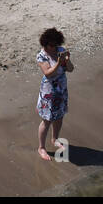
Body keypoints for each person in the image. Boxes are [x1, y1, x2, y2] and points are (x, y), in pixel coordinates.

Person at [36, 27, 73, 161]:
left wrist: (67, 61)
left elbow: (71, 69)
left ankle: (55, 139)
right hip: (49, 91)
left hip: (61, 89)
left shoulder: (60, 51)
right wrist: (58, 63)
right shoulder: (41, 56)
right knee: (47, 120)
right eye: (51, 45)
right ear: (45, 43)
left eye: (56, 45)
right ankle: (41, 147)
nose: (54, 48)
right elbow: (48, 73)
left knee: (59, 116)